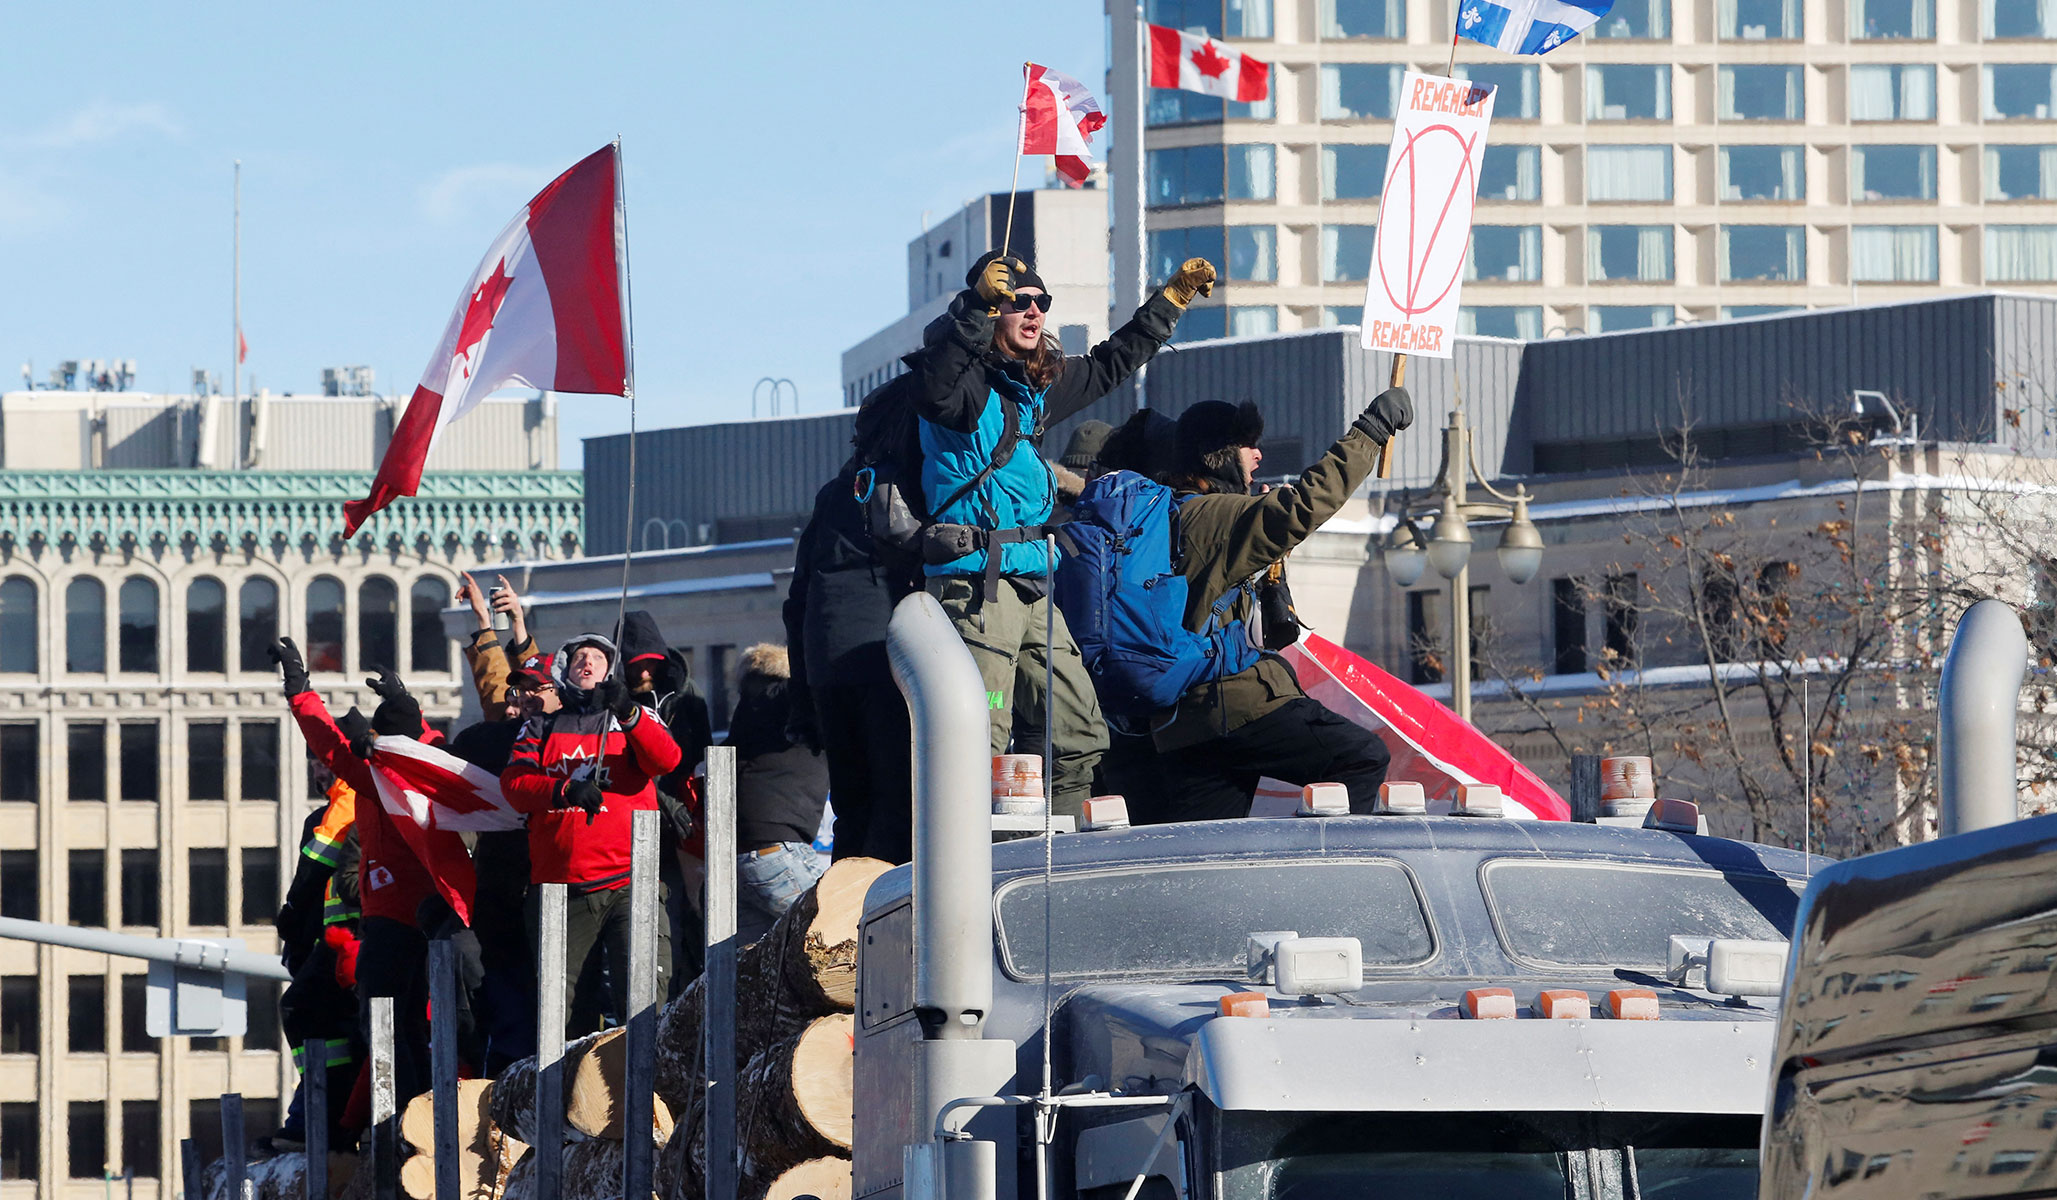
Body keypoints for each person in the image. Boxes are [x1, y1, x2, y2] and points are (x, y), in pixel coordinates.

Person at [910, 248, 1217, 817]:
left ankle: (1054, 852)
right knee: (976, 738)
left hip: (1030, 585)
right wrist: (973, 307)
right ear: (992, 309)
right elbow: (935, 389)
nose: (1034, 311)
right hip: (978, 590)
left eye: (1041, 302)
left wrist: (1170, 303)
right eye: (1018, 301)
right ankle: (969, 862)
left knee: (1078, 731)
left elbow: (1109, 363)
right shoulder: (962, 385)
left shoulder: (1031, 386)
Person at [1135, 389, 1415, 822]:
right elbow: (1304, 505)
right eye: (1246, 445)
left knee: (1214, 849)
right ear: (1215, 456)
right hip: (1234, 703)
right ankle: (1334, 861)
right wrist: (1370, 431)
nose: (1258, 455)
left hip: (1181, 726)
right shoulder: (1218, 515)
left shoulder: (1170, 517)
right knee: (1362, 757)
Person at [500, 633, 682, 1028]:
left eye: (597, 658)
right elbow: (514, 786)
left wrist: (628, 712)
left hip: (630, 885)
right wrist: (565, 790)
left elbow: (666, 759)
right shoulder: (540, 726)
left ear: (611, 670)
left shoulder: (634, 717)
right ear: (564, 671)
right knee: (564, 1018)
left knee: (643, 1003)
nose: (587, 662)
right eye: (579, 656)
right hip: (562, 891)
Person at [784, 460, 918, 864]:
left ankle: (845, 898)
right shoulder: (911, 482)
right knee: (895, 798)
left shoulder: (833, 495)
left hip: (826, 662)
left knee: (851, 803)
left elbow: (796, 603)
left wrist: (802, 699)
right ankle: (883, 895)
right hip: (883, 655)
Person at [615, 609, 710, 990]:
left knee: (694, 916)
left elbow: (703, 758)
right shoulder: (612, 703)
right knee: (653, 922)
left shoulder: (687, 696)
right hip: (634, 823)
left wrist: (697, 811)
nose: (643, 673)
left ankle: (691, 996)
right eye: (634, 665)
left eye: (650, 664)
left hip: (684, 827)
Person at [721, 644, 830, 944]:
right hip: (779, 851)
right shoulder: (791, 698)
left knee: (760, 966)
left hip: (740, 858)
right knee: (837, 936)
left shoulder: (749, 711)